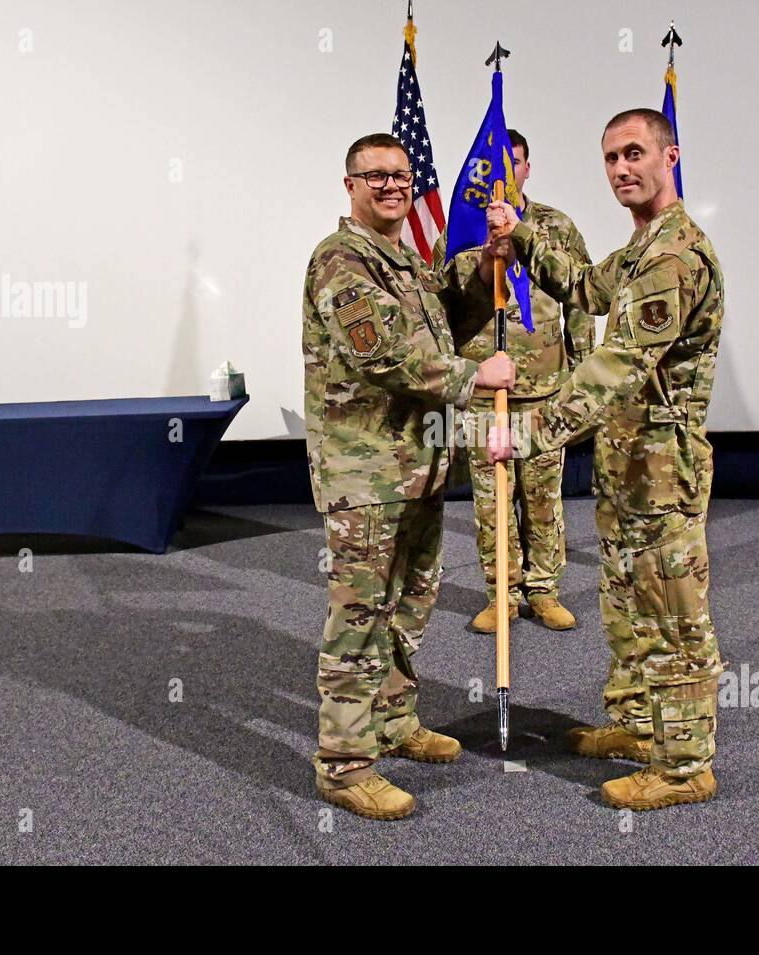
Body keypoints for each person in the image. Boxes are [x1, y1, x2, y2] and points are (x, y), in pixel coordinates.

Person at [485, 109, 725, 811]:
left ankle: (684, 766)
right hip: (628, 469)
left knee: (673, 612)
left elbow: (618, 362)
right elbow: (587, 287)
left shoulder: (677, 253)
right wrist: (522, 236)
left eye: (634, 154)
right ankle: (638, 723)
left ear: (670, 154)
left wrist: (534, 431)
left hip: (661, 469)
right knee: (626, 602)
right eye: (611, 159)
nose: (622, 169)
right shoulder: (639, 248)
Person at [303, 133, 514, 820]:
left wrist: (491, 263)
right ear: (350, 185)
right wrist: (473, 376)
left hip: (417, 467)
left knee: (407, 609)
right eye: (377, 176)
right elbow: (381, 351)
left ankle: (392, 721)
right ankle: (344, 763)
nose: (393, 186)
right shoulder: (341, 262)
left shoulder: (404, 261)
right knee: (360, 619)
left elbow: (445, 317)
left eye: (401, 175)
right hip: (365, 474)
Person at [433, 128, 595, 634]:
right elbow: (443, 301)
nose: (507, 172)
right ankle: (501, 593)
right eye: (498, 164)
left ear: (527, 168)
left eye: (516, 162)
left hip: (546, 390)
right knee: (492, 500)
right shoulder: (462, 228)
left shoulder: (554, 226)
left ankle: (544, 591)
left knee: (545, 498)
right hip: (485, 393)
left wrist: (584, 374)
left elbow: (579, 301)